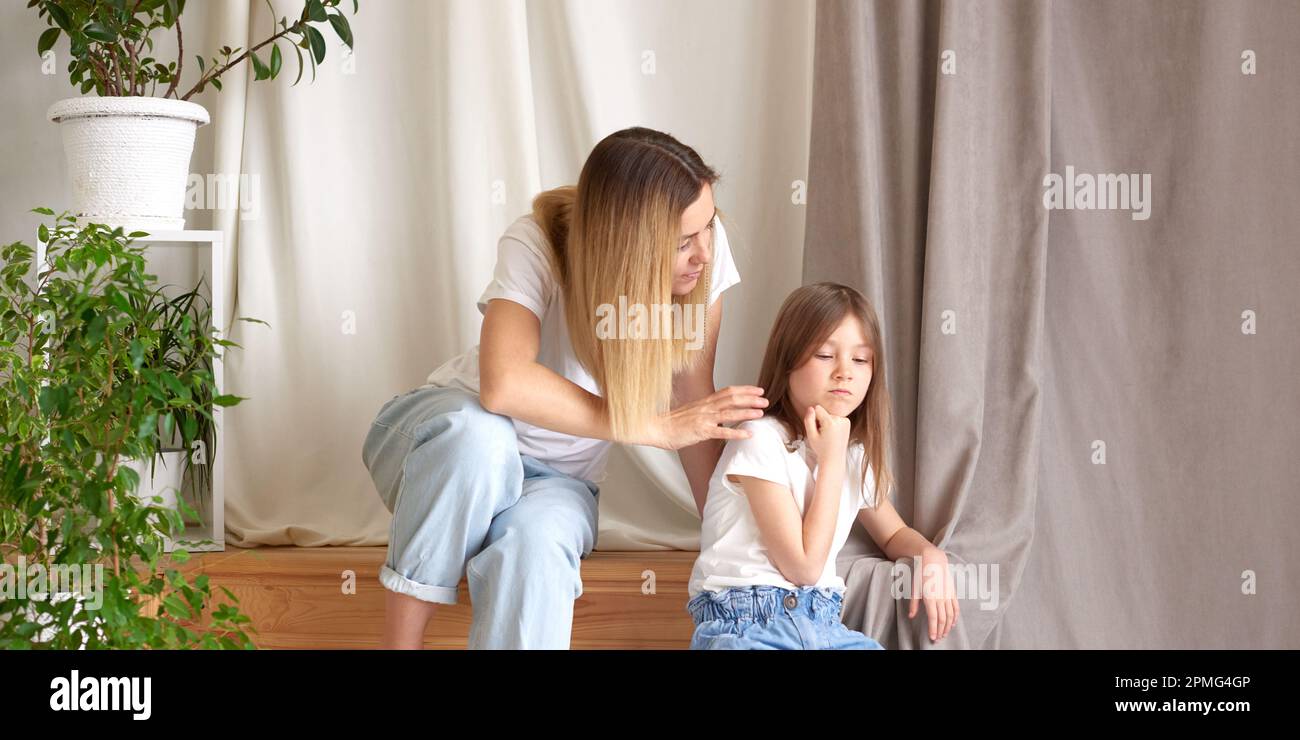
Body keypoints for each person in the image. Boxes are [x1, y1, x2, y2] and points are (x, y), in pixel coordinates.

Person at [362, 127, 768, 649]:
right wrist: (646, 427)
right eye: (684, 241)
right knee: (480, 441)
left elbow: (692, 398)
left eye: (708, 227)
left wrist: (733, 544)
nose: (705, 254)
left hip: (559, 484)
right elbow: (503, 385)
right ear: (626, 244)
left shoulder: (703, 260)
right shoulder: (535, 241)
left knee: (535, 546)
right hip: (440, 446)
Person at [686, 282, 960, 649]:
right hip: (747, 625)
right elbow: (802, 568)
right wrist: (830, 461)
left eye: (860, 359)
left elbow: (892, 535)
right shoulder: (760, 438)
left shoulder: (852, 454)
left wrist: (929, 553)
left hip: (823, 625)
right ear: (788, 361)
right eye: (825, 355)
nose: (845, 372)